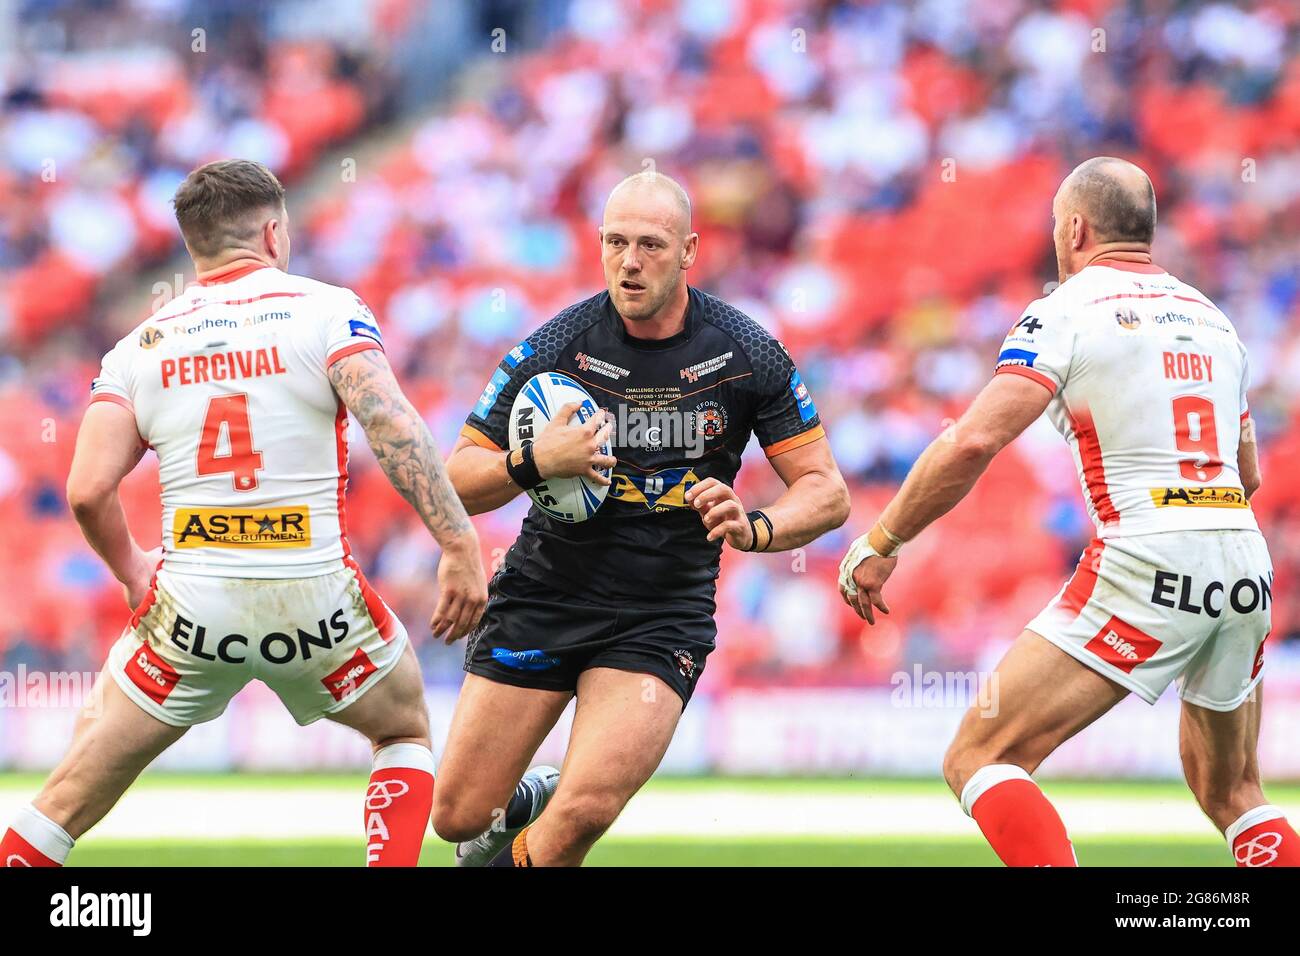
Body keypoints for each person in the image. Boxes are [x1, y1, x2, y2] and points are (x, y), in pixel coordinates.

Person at [0, 159, 486, 868]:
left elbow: (86, 491)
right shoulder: (328, 310)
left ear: (193, 247)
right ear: (272, 232)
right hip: (316, 599)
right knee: (404, 730)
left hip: (193, 609)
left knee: (64, 801)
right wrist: (458, 541)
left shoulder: (140, 348)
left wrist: (134, 570)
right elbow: (391, 422)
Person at [839, 157, 1297, 868]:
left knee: (980, 755)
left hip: (1147, 552)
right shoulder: (1215, 320)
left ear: (1075, 228)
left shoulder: (1066, 309)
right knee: (1234, 793)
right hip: (1243, 561)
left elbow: (974, 440)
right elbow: (1248, 474)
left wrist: (883, 537)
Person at [433, 171, 850, 866]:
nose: (630, 261)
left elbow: (825, 490)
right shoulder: (553, 348)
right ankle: (530, 798)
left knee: (582, 817)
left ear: (689, 250)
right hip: (546, 593)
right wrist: (533, 460)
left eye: (651, 245)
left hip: (663, 613)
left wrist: (757, 527)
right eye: (616, 242)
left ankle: (557, 806)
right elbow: (455, 482)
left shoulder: (746, 353)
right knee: (456, 817)